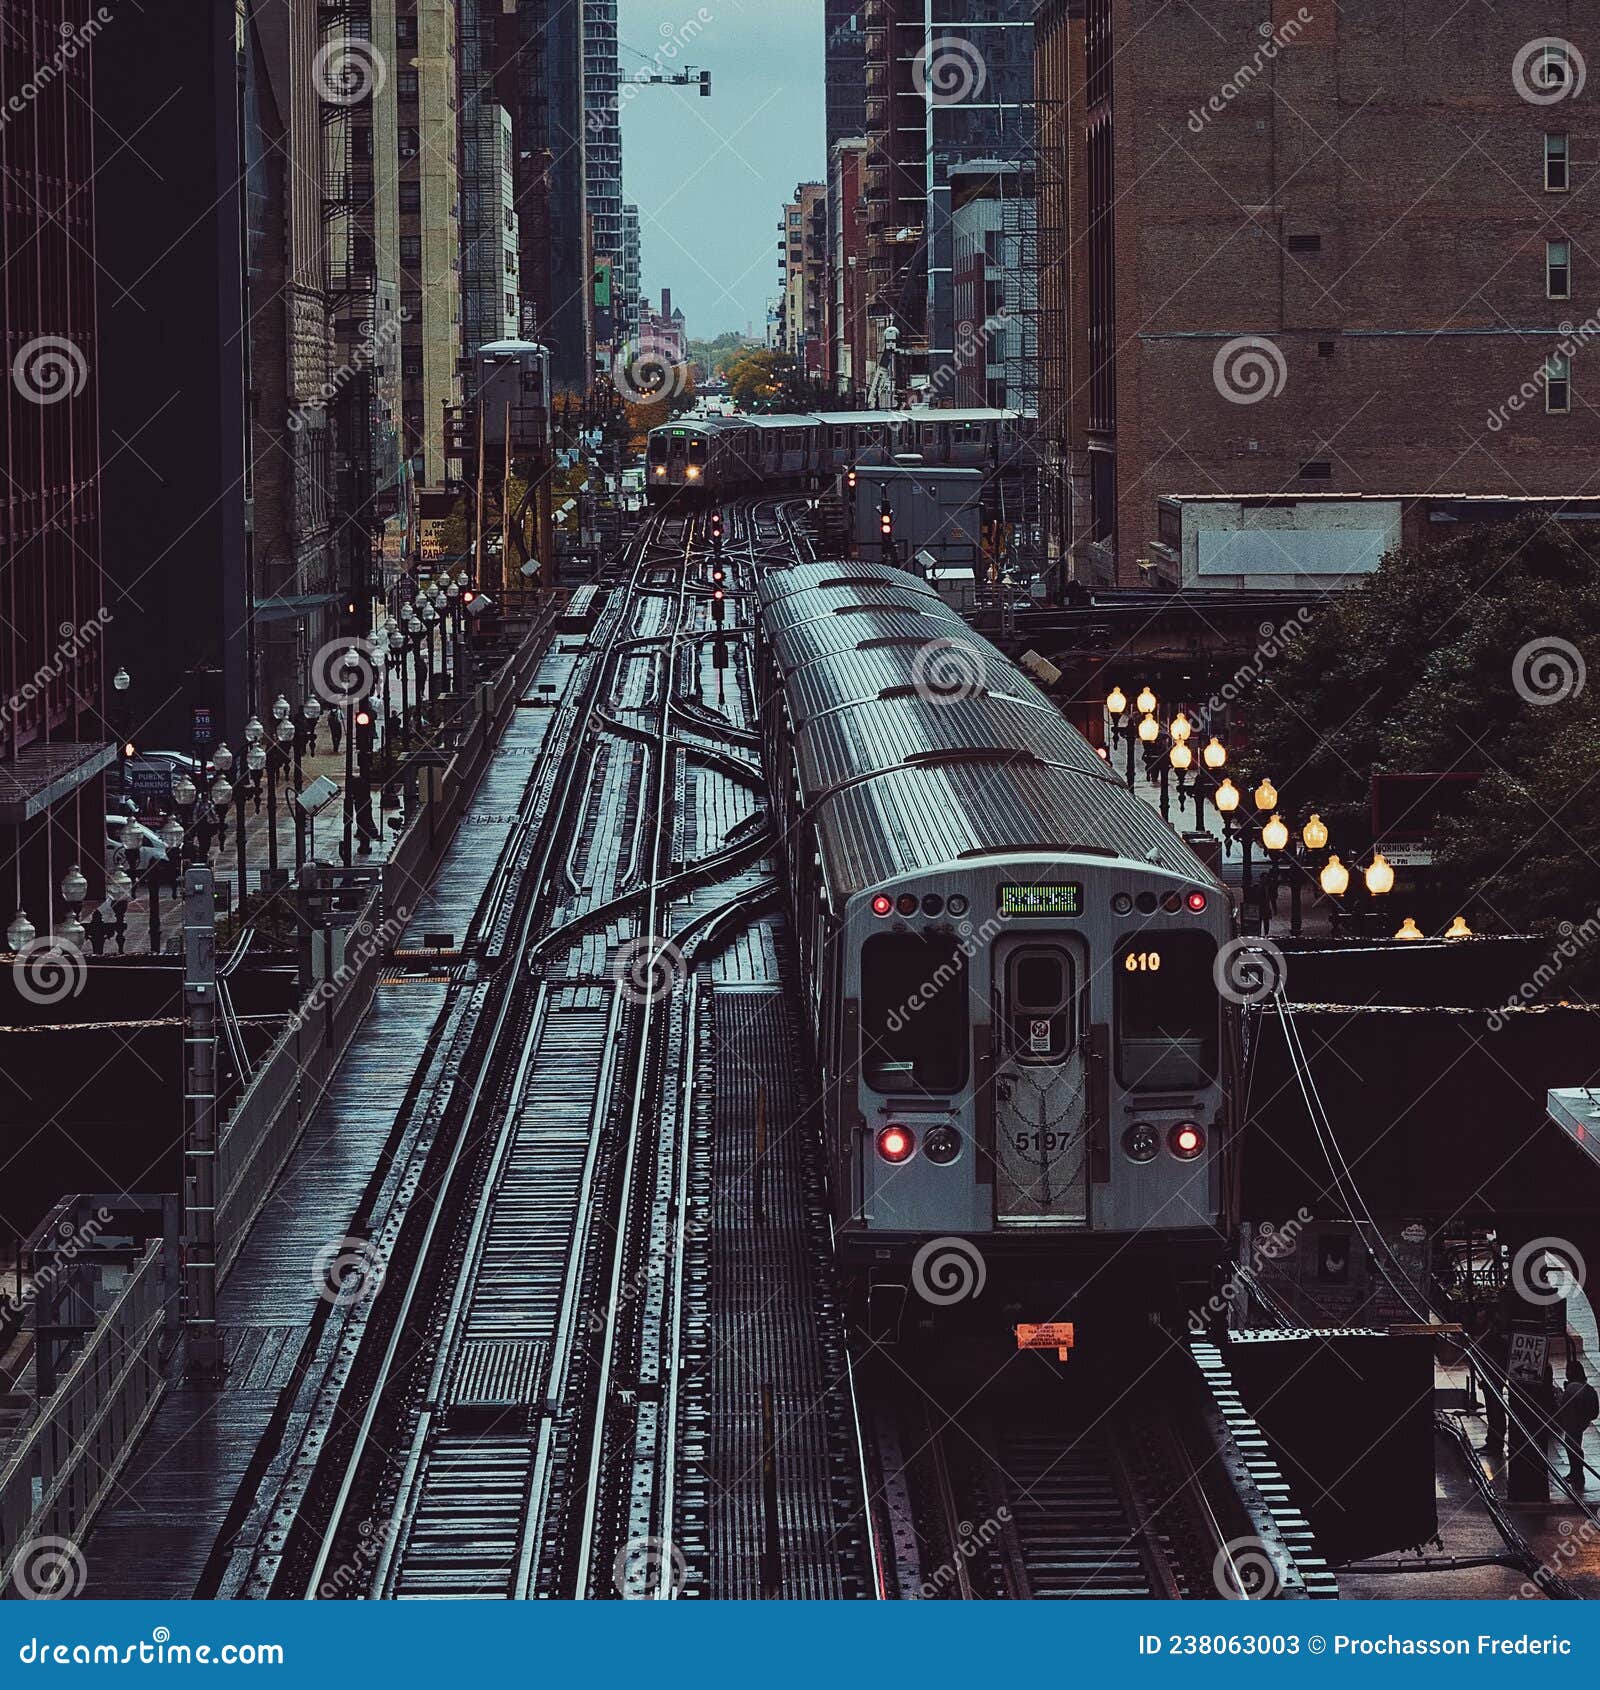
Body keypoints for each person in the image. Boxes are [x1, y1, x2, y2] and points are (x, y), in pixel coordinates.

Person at [1557, 1358, 1598, 1487]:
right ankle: (1576, 1472)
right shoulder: (1587, 1388)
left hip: (1573, 1418)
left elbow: (1562, 1405)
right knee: (1574, 1443)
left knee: (1572, 1444)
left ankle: (1577, 1473)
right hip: (1583, 1419)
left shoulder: (1572, 1388)